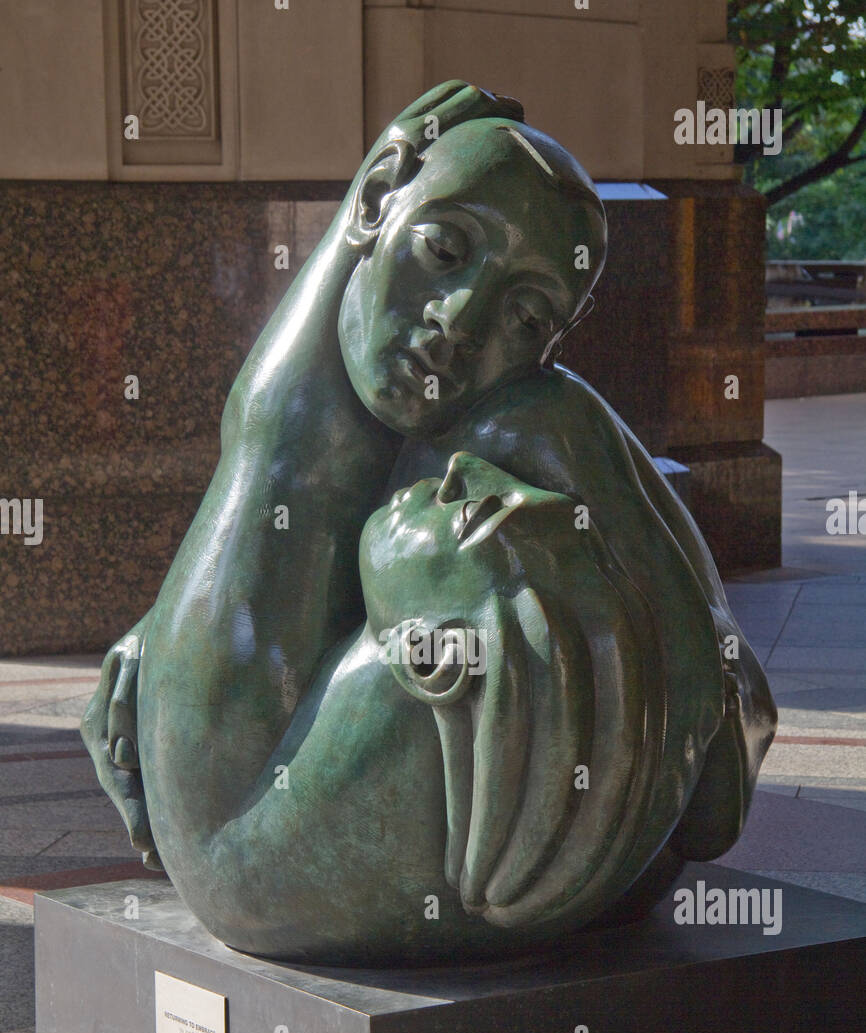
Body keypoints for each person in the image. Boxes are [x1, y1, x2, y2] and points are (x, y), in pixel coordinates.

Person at [82, 83, 775, 966]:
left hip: (263, 869)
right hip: (254, 846)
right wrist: (165, 639)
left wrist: (506, 580)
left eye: (526, 316)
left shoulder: (535, 418)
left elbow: (712, 726)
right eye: (444, 249)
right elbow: (273, 460)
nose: (456, 324)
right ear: (376, 202)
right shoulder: (414, 416)